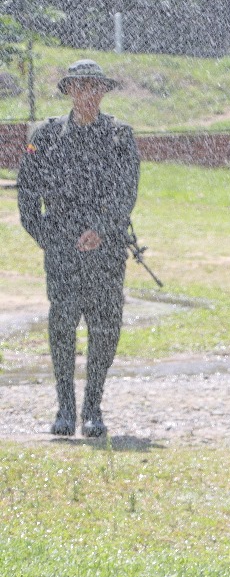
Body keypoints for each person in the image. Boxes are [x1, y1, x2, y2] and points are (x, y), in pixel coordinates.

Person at [17, 59, 139, 438]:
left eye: (94, 87)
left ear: (103, 92)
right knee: (63, 324)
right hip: (63, 248)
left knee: (104, 327)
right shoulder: (47, 135)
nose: (87, 94)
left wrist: (101, 229)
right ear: (69, 90)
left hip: (106, 249)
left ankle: (93, 407)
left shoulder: (119, 135)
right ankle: (65, 408)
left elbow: (126, 191)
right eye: (80, 86)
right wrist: (47, 237)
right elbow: (27, 193)